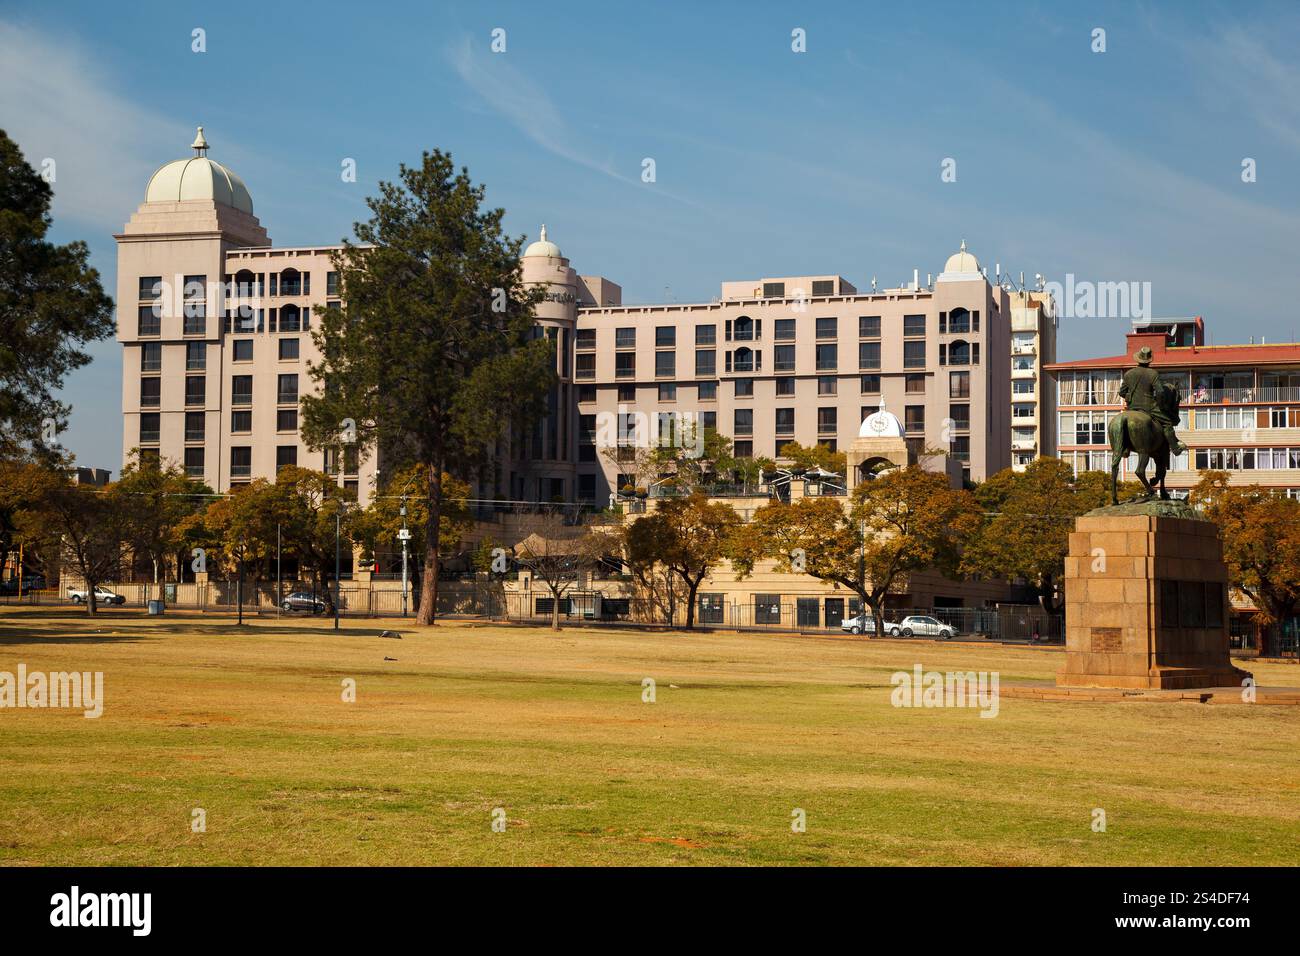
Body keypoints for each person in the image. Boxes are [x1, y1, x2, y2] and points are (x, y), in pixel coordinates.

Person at [1119, 346, 1187, 455]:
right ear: (1149, 360)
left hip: (1132, 408)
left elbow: (1121, 392)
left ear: (1138, 359)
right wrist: (1160, 404)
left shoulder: (1128, 374)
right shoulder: (1153, 373)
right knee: (1167, 423)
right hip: (1149, 407)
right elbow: (1160, 392)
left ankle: (1124, 446)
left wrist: (1130, 397)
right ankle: (1175, 448)